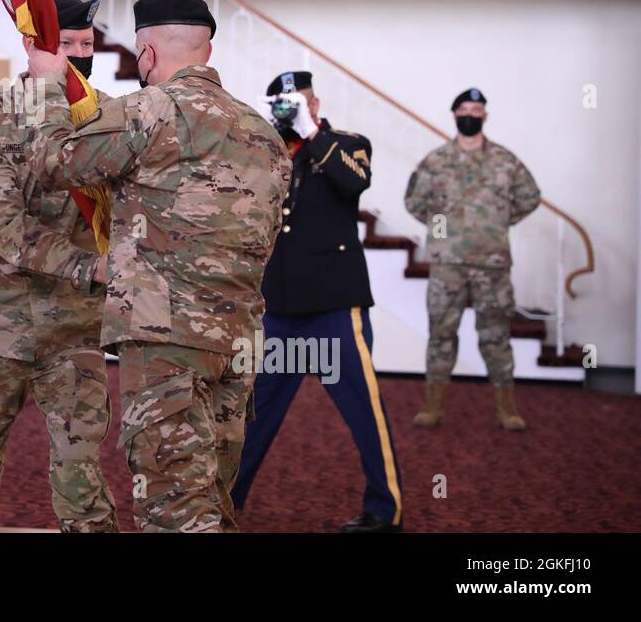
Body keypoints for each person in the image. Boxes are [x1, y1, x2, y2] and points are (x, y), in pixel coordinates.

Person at [24, 0, 290, 533]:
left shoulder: (147, 112)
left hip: (165, 336)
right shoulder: (263, 133)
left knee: (172, 503)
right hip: (238, 338)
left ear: (145, 53)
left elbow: (51, 163)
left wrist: (49, 83)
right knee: (212, 495)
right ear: (207, 50)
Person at [0, 0, 117, 533]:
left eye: (87, 45)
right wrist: (93, 269)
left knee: (81, 470)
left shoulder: (107, 117)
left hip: (74, 330)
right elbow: (4, 233)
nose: (79, 56)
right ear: (35, 49)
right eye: (67, 45)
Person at [231, 71, 403, 533]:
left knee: (365, 413)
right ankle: (224, 501)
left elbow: (354, 184)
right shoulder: (262, 149)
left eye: (298, 101)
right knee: (253, 414)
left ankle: (385, 511)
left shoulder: (347, 144)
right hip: (280, 309)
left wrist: (311, 132)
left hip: (333, 307)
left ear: (314, 102)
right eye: (282, 103)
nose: (290, 109)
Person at [405, 88, 540, 431]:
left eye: (476, 109)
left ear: (485, 115)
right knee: (441, 334)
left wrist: (495, 224)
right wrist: (443, 230)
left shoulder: (504, 160)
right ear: (454, 115)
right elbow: (415, 202)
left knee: (495, 336)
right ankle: (433, 407)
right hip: (447, 263)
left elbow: (530, 197)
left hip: (491, 264)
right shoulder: (435, 161)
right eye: (464, 108)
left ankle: (506, 409)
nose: (470, 113)